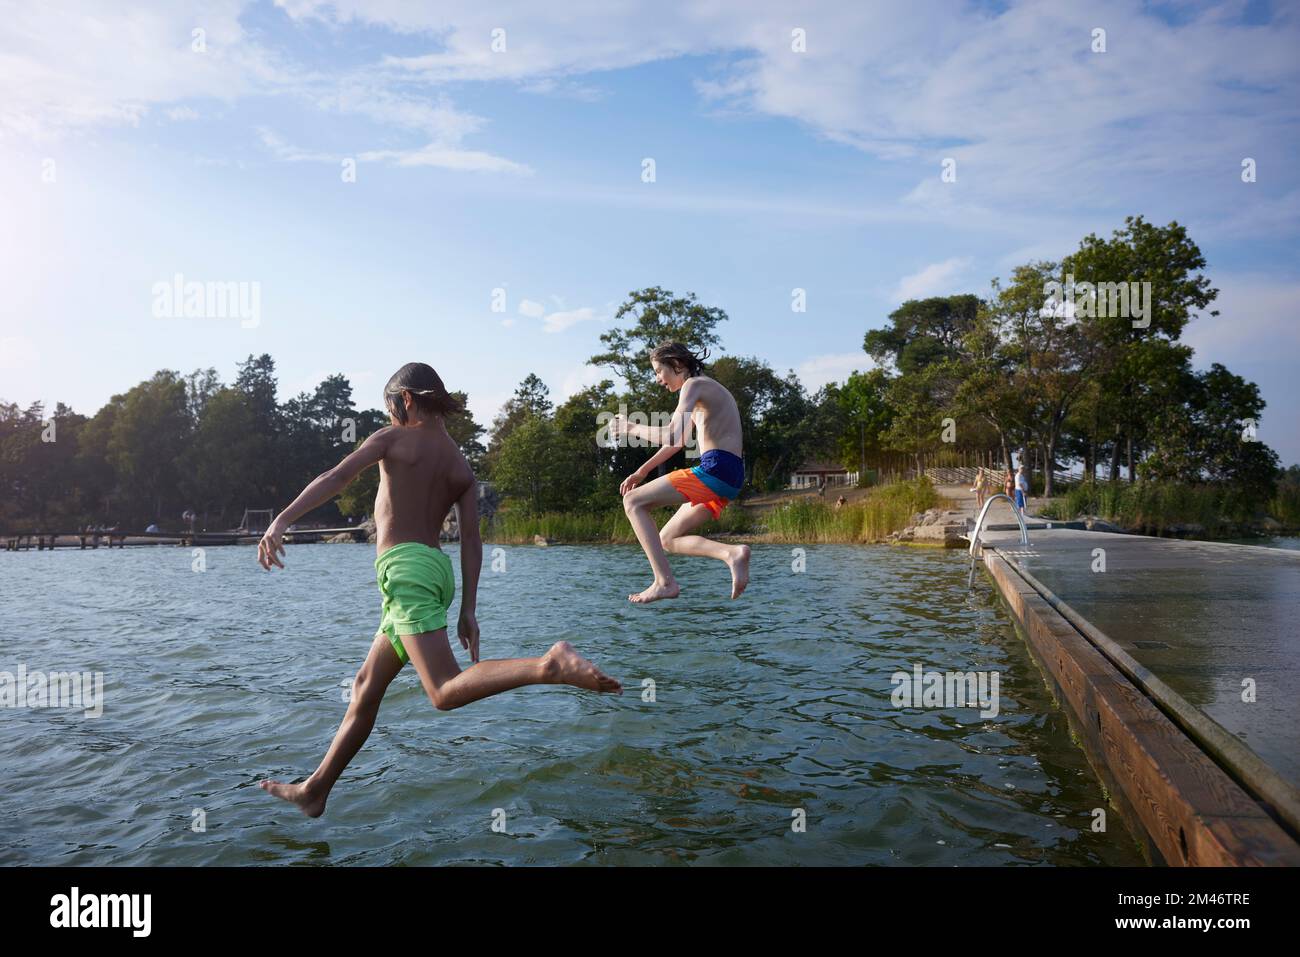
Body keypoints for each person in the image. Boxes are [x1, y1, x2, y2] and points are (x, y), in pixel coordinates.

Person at [256, 361, 621, 818]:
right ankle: (316, 790)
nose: (390, 419)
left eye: (391, 409)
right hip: (431, 572)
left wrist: (281, 520)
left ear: (406, 400)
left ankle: (548, 665)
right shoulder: (460, 465)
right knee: (366, 688)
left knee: (443, 691)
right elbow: (471, 539)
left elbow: (336, 477)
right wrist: (468, 608)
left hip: (406, 572)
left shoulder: (392, 439)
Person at [613, 342, 751, 603]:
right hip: (730, 476)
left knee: (632, 502)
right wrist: (641, 472)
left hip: (716, 468)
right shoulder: (703, 389)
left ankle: (664, 582)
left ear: (676, 364)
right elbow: (677, 442)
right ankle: (731, 554)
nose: (657, 380)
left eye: (658, 371)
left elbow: (673, 433)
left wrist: (631, 427)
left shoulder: (693, 385)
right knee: (667, 538)